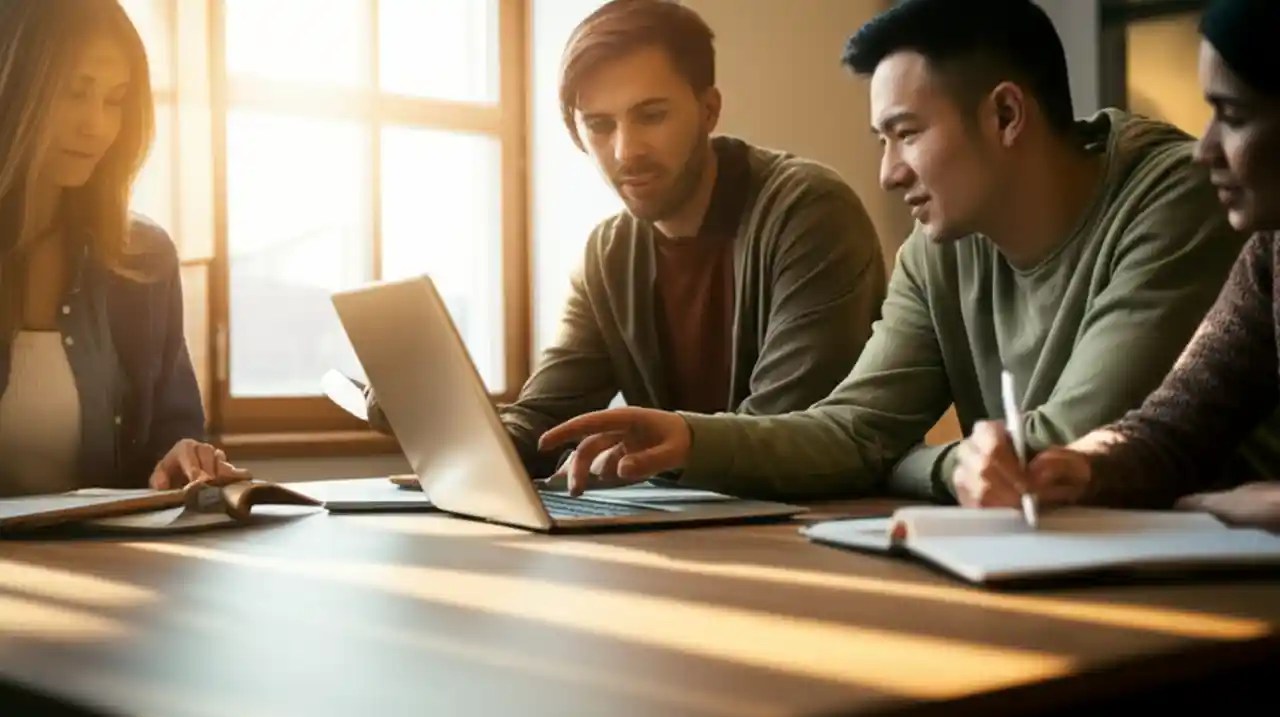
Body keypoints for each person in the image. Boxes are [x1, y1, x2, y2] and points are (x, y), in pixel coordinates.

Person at [537, 0, 1258, 501]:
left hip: (1226, 594)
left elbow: (1072, 445)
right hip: (1052, 567)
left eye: (907, 133)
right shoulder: (938, 243)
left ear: (1007, 114)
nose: (887, 172)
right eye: (881, 141)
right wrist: (686, 439)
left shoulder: (1177, 195)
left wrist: (914, 465)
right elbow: (854, 434)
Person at [368, 0, 886, 480]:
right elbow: (544, 420)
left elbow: (790, 427)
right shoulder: (607, 255)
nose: (625, 150)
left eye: (652, 115)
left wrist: (651, 454)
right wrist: (442, 420)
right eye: (598, 125)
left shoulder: (810, 212)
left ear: (708, 110)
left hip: (806, 527)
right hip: (689, 530)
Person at [951, 0, 1280, 530]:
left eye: (1234, 117)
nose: (1205, 149)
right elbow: (1174, 429)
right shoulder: (1271, 255)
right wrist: (1078, 468)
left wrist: (1253, 504)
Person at [0, 0, 248, 496]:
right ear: (15, 86)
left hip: (108, 563)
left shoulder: (144, 259)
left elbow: (171, 442)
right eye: (75, 93)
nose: (97, 125)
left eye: (114, 100)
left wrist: (184, 461)